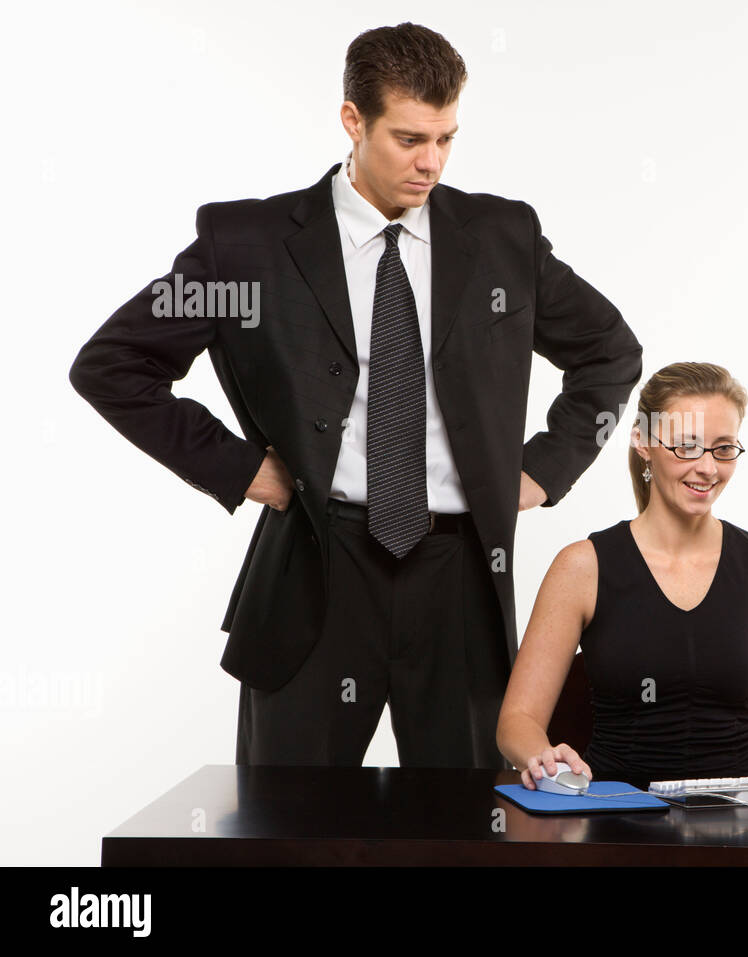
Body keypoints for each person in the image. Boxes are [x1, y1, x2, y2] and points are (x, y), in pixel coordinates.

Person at [67, 23, 642, 768]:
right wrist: (240, 469)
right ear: (352, 120)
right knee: (284, 823)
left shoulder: (502, 237)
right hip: (317, 565)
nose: (430, 162)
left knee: (469, 825)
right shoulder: (248, 247)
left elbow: (611, 351)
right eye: (408, 138)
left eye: (446, 138)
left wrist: (541, 469)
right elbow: (113, 365)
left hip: (459, 575)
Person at [497, 362, 748, 790]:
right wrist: (543, 757)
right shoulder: (583, 567)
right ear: (642, 440)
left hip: (743, 824)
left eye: (724, 448)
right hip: (616, 819)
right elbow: (516, 721)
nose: (708, 468)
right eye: (687, 446)